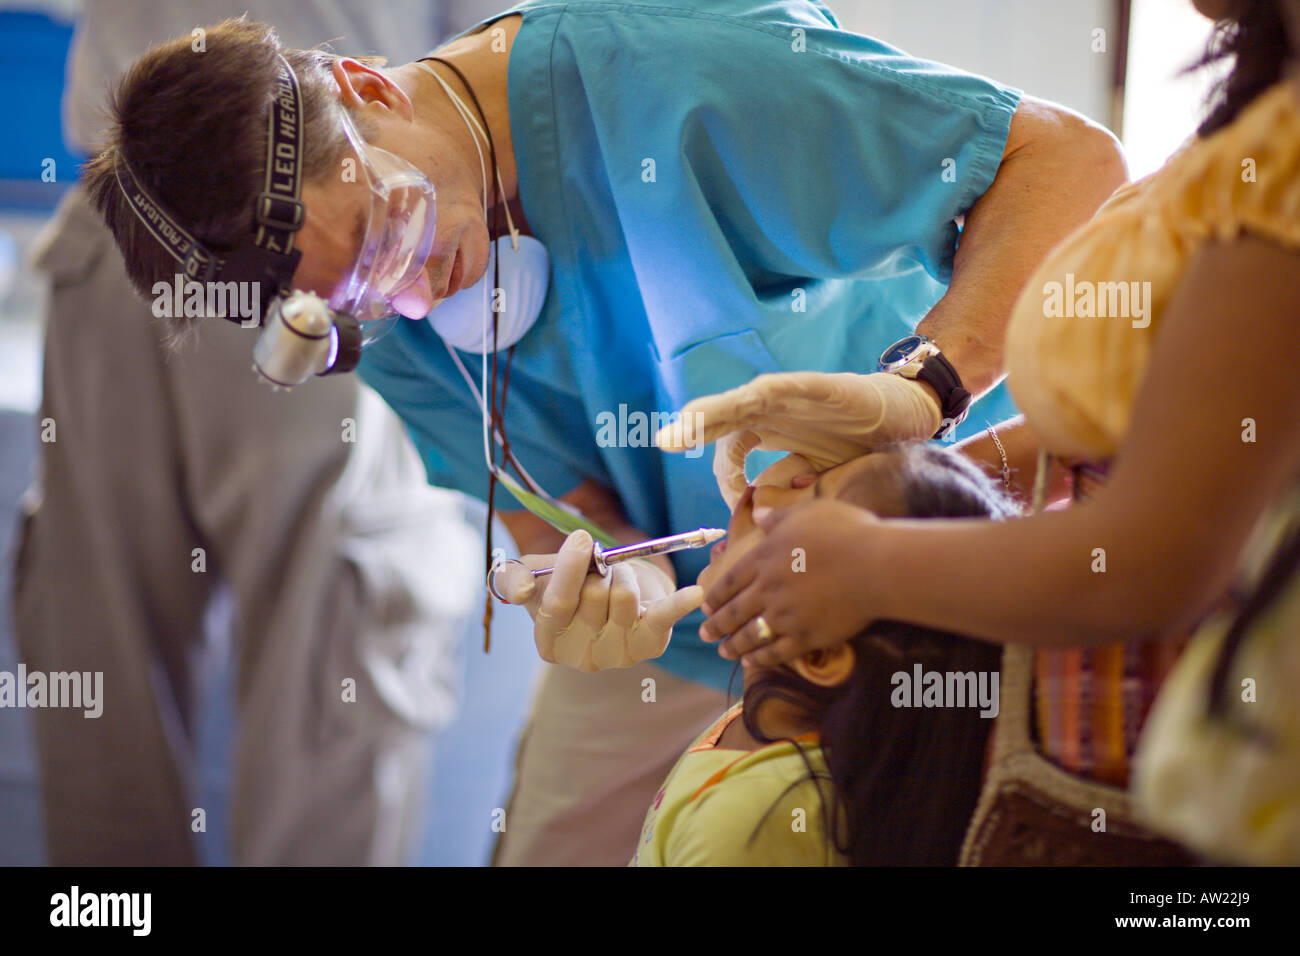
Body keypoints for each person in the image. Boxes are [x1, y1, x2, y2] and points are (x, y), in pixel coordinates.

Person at [81, 0, 1125, 864]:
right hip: (693, 621)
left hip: (927, 556)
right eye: (356, 298)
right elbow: (557, 511)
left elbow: (1070, 162)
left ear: (365, 85)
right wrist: (594, 573)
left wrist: (921, 389)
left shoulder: (668, 67)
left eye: (385, 234)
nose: (405, 296)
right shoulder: (384, 319)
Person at [694, 0, 1300, 864]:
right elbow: (1159, 425)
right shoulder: (1259, 128)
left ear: (827, 651)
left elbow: (1156, 557)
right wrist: (911, 459)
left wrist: (868, 559)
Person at [13, 0, 488, 866]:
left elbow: (497, 59)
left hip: (340, 226)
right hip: (136, 226)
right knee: (99, 664)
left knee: (334, 648)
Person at [632, 443, 1011, 866]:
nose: (757, 493)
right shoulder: (756, 719)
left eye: (806, 513)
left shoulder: (752, 822)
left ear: (822, 656)